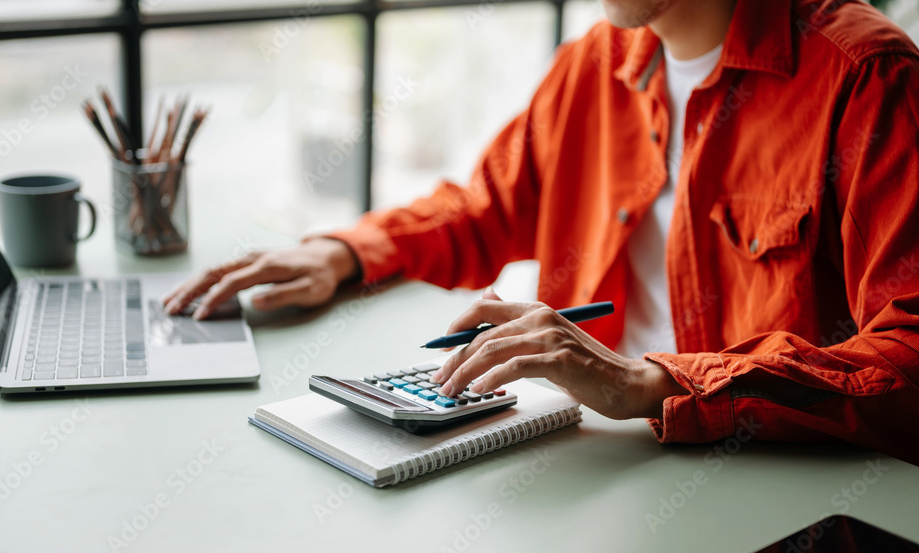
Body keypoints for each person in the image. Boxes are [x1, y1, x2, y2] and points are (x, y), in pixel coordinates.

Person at [164, 0, 919, 464]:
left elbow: (908, 361)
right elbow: (484, 208)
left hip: (762, 478)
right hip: (593, 455)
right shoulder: (595, 64)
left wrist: (653, 382)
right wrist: (344, 250)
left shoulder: (870, 79)